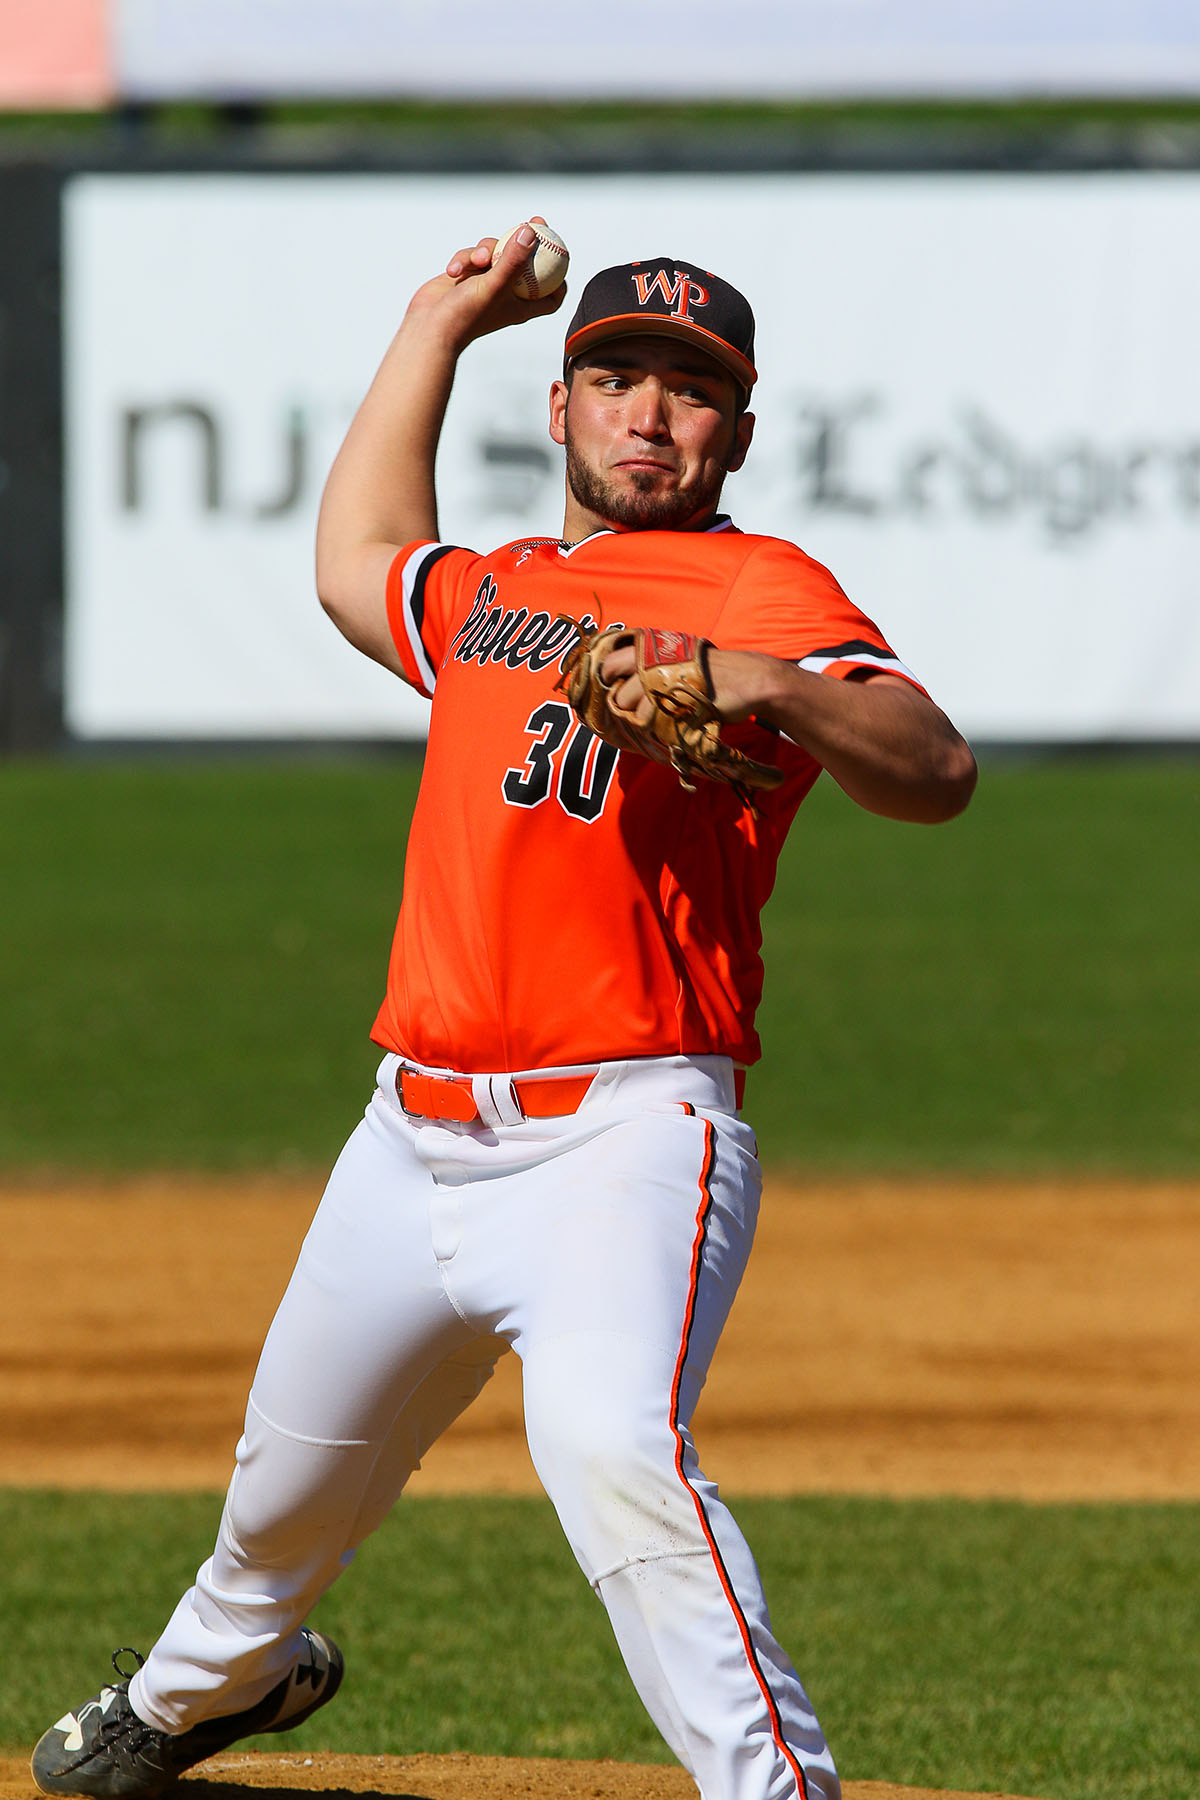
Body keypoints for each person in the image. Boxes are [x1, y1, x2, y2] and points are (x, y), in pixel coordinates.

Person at [33, 221, 977, 1800]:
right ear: (561, 409)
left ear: (735, 431)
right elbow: (355, 564)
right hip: (408, 1140)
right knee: (280, 1498)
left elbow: (935, 768)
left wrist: (773, 686)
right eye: (615, 377)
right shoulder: (495, 594)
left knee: (618, 1462)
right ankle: (206, 1690)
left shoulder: (765, 582)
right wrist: (436, 322)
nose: (649, 414)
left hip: (625, 1136)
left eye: (690, 390)